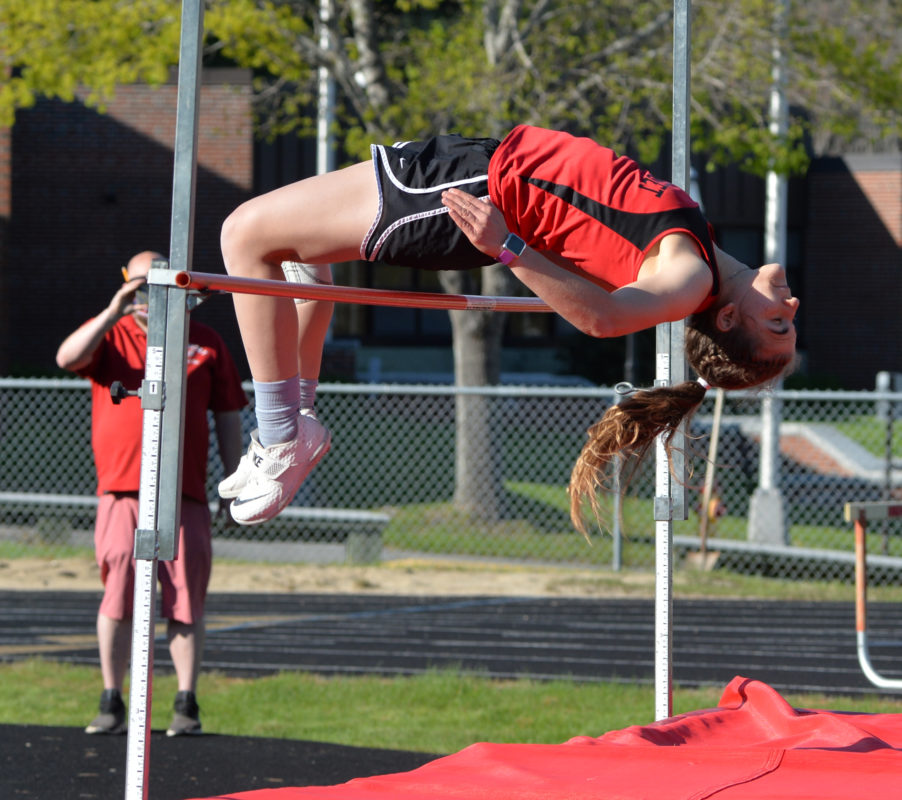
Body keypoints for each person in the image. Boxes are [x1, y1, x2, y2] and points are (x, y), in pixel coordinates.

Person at [215, 124, 800, 534]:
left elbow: (605, 319)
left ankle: (280, 433)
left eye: (778, 324)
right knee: (297, 260)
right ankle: (300, 419)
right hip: (480, 167)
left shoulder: (690, 277)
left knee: (244, 235)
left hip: (475, 191)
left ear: (728, 318)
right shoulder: (701, 247)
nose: (792, 305)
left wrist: (508, 246)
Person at [56, 250, 247, 736]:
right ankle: (111, 697)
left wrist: (231, 482)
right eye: (139, 284)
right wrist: (115, 307)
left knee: (185, 598)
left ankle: (186, 702)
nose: (147, 295)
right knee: (118, 593)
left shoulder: (205, 342)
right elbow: (67, 357)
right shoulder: (113, 336)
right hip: (122, 491)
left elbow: (228, 415)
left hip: (184, 497)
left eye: (155, 283)